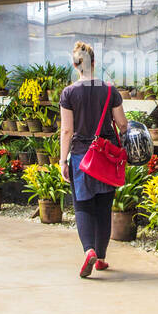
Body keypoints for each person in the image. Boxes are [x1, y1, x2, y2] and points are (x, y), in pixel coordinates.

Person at [59, 41, 127, 278]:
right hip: (106, 157)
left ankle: (89, 250)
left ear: (75, 65)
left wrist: (62, 161)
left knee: (83, 206)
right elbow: (122, 124)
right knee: (104, 208)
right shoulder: (109, 90)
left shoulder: (68, 93)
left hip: (81, 157)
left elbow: (66, 131)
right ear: (94, 63)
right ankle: (100, 258)